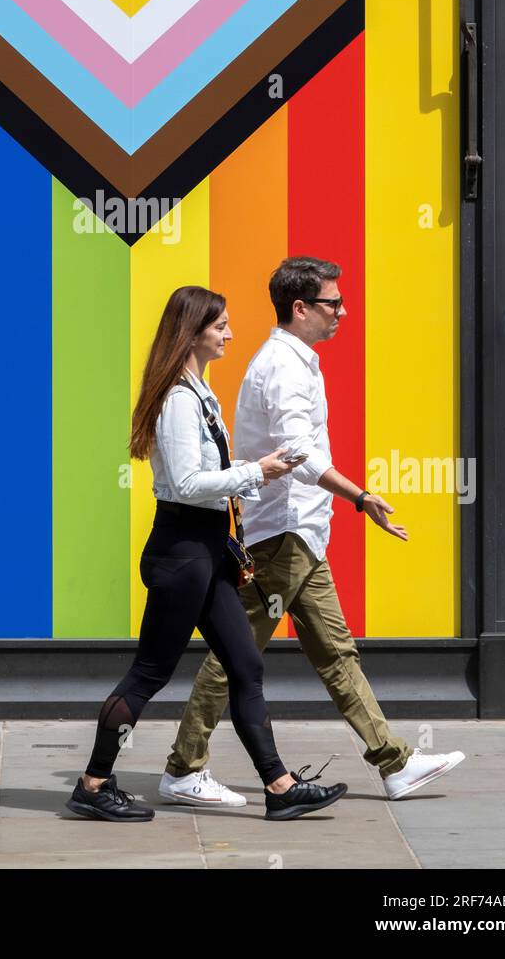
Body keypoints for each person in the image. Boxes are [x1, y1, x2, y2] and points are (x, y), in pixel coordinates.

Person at [159, 258, 465, 807]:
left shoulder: (297, 361)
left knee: (334, 651)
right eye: (333, 303)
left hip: (299, 531)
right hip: (282, 531)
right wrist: (361, 497)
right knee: (235, 654)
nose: (342, 312)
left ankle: (394, 764)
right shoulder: (282, 365)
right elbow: (298, 456)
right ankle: (184, 767)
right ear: (300, 309)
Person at [66, 284, 349, 822]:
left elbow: (204, 482)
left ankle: (281, 787)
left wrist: (253, 477)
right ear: (193, 332)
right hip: (182, 554)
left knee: (245, 665)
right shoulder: (178, 399)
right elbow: (184, 483)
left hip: (208, 549)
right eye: (220, 326)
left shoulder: (198, 393)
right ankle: (93, 782)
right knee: (149, 674)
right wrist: (255, 472)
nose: (230, 334)